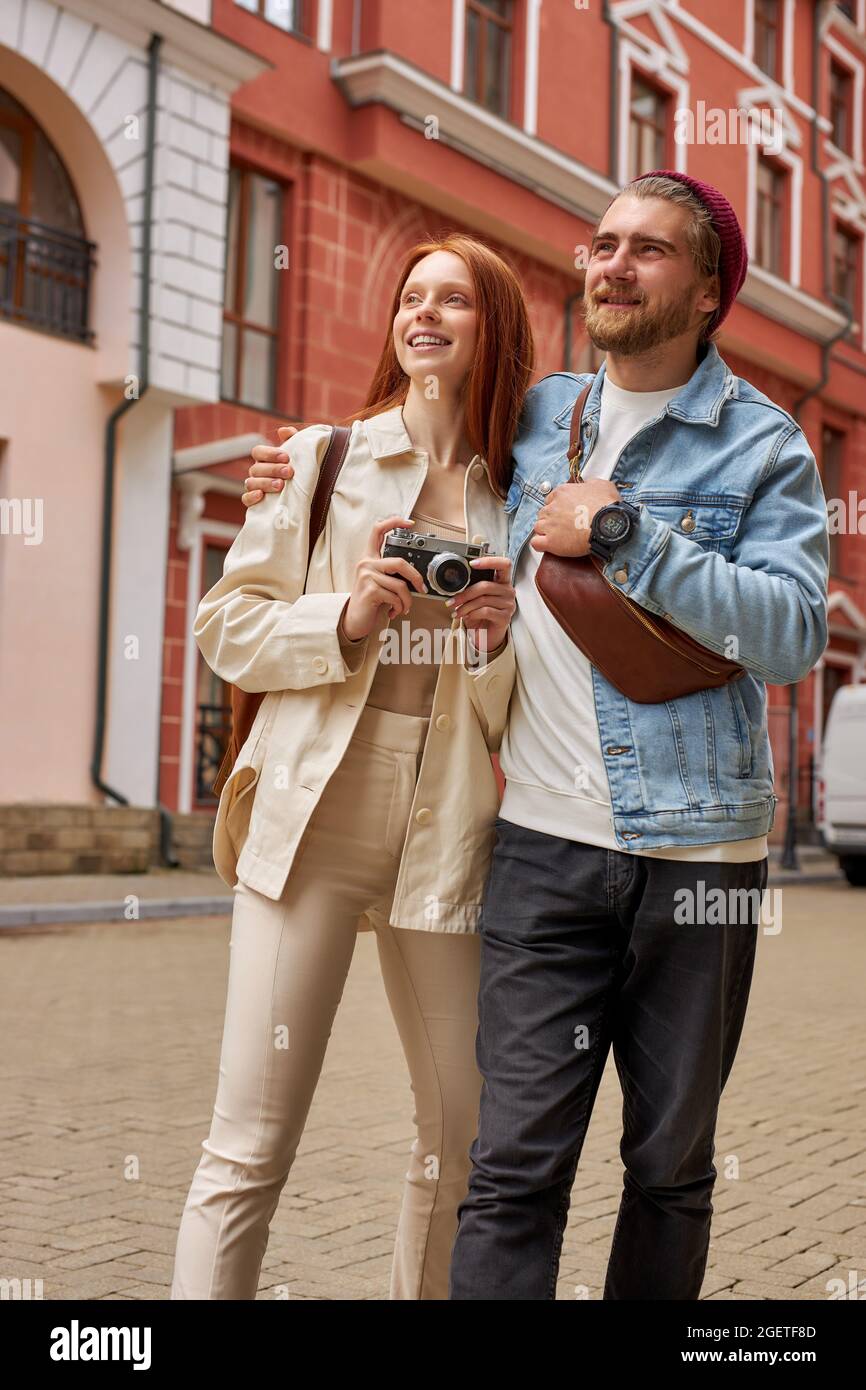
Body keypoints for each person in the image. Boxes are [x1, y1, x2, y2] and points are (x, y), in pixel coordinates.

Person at [244, 172, 830, 1300]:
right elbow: (406, 427)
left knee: (666, 1167)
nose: (610, 265)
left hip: (698, 860)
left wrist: (623, 533)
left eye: (648, 251)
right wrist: (298, 459)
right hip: (538, 852)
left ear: (709, 292)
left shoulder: (765, 450)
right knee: (510, 1167)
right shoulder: (531, 413)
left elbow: (795, 629)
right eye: (601, 244)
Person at [169, 234, 533, 1300]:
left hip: (448, 830)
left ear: (491, 328)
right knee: (247, 1145)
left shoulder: (515, 499)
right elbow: (226, 628)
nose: (423, 313)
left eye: (452, 300)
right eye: (410, 297)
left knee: (458, 1138)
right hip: (315, 817)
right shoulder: (322, 459)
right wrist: (348, 614)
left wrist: (493, 639)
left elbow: (517, 720)